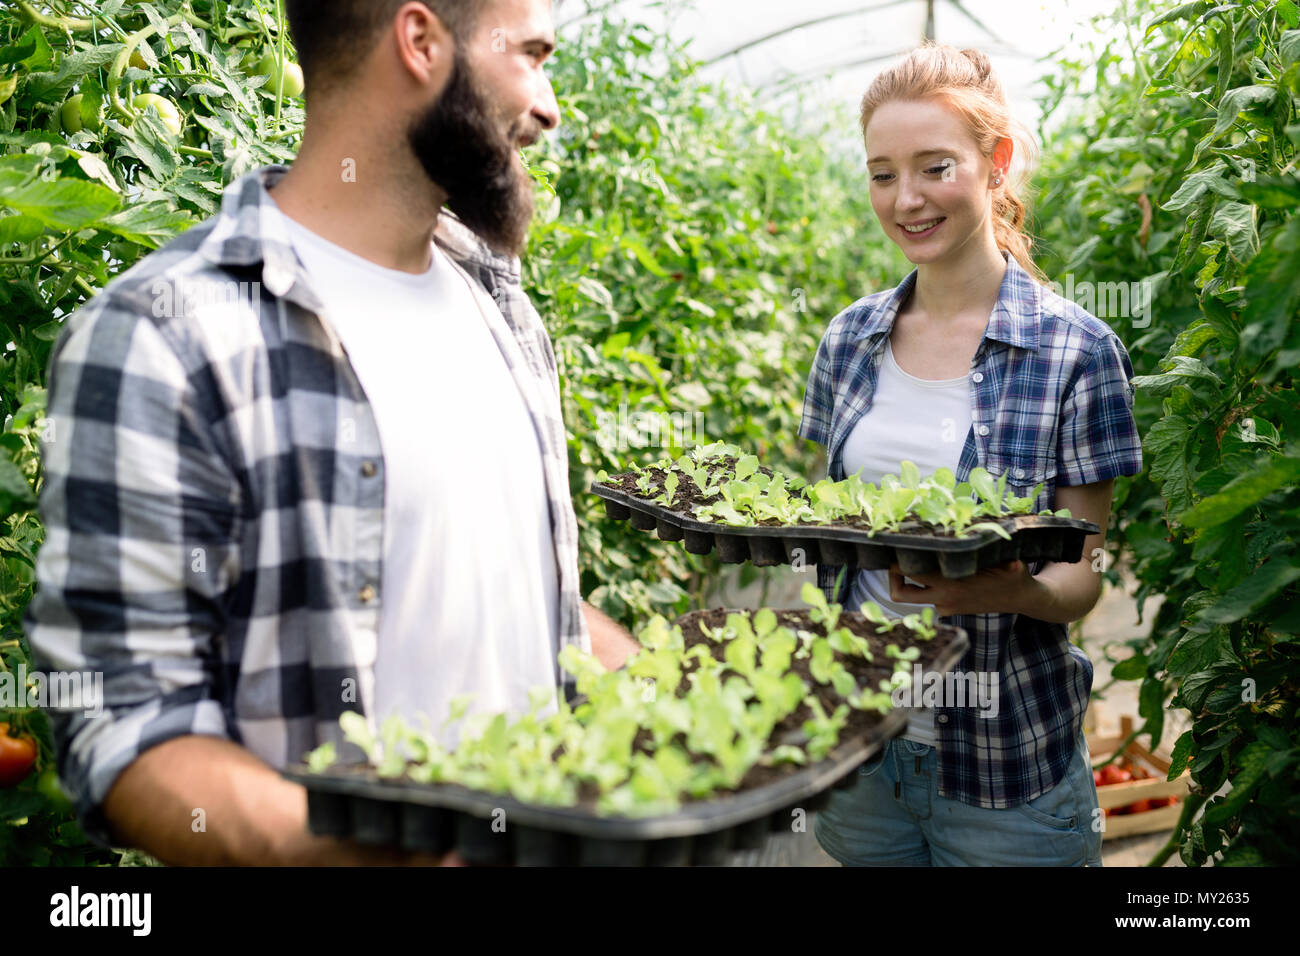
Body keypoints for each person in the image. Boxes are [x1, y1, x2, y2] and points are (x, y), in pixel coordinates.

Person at [24, 0, 639, 866]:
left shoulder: (494, 298)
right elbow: (126, 729)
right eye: (530, 56)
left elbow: (491, 591)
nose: (548, 106)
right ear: (421, 41)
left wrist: (662, 682)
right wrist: (376, 849)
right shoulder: (168, 339)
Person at [798, 42, 1143, 866]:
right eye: (883, 173)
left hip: (1003, 763)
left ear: (997, 163)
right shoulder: (849, 339)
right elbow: (829, 535)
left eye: (934, 167)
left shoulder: (1075, 351)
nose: (906, 199)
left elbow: (1082, 575)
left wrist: (1005, 589)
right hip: (862, 753)